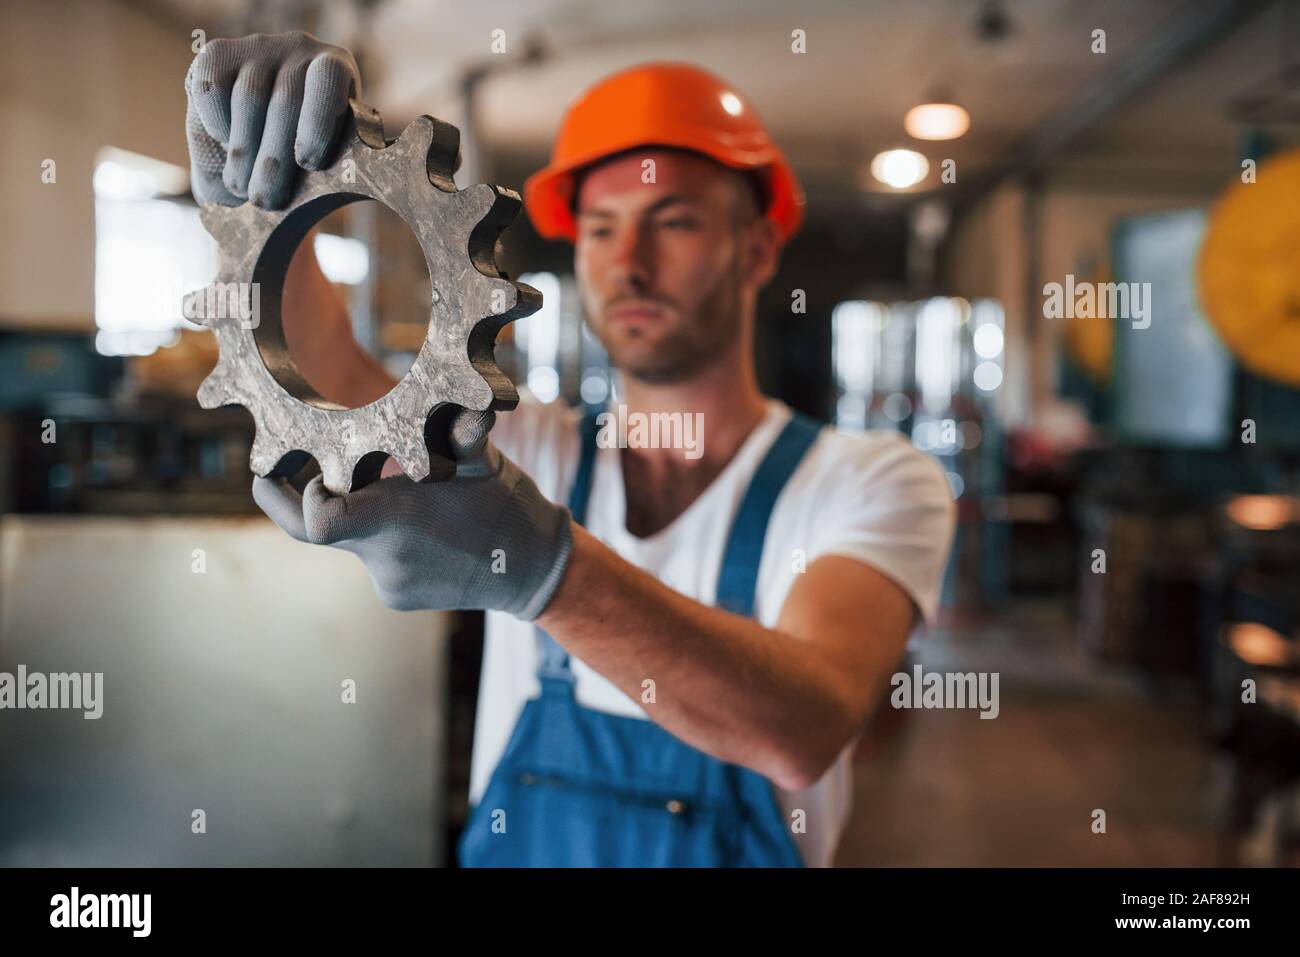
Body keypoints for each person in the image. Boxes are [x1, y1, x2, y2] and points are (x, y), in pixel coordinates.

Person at [184, 31, 956, 867]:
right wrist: (258, 197)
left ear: (758, 250)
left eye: (676, 221)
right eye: (602, 228)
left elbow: (807, 723)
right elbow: (328, 376)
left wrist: (541, 568)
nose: (630, 262)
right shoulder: (515, 443)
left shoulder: (872, 481)